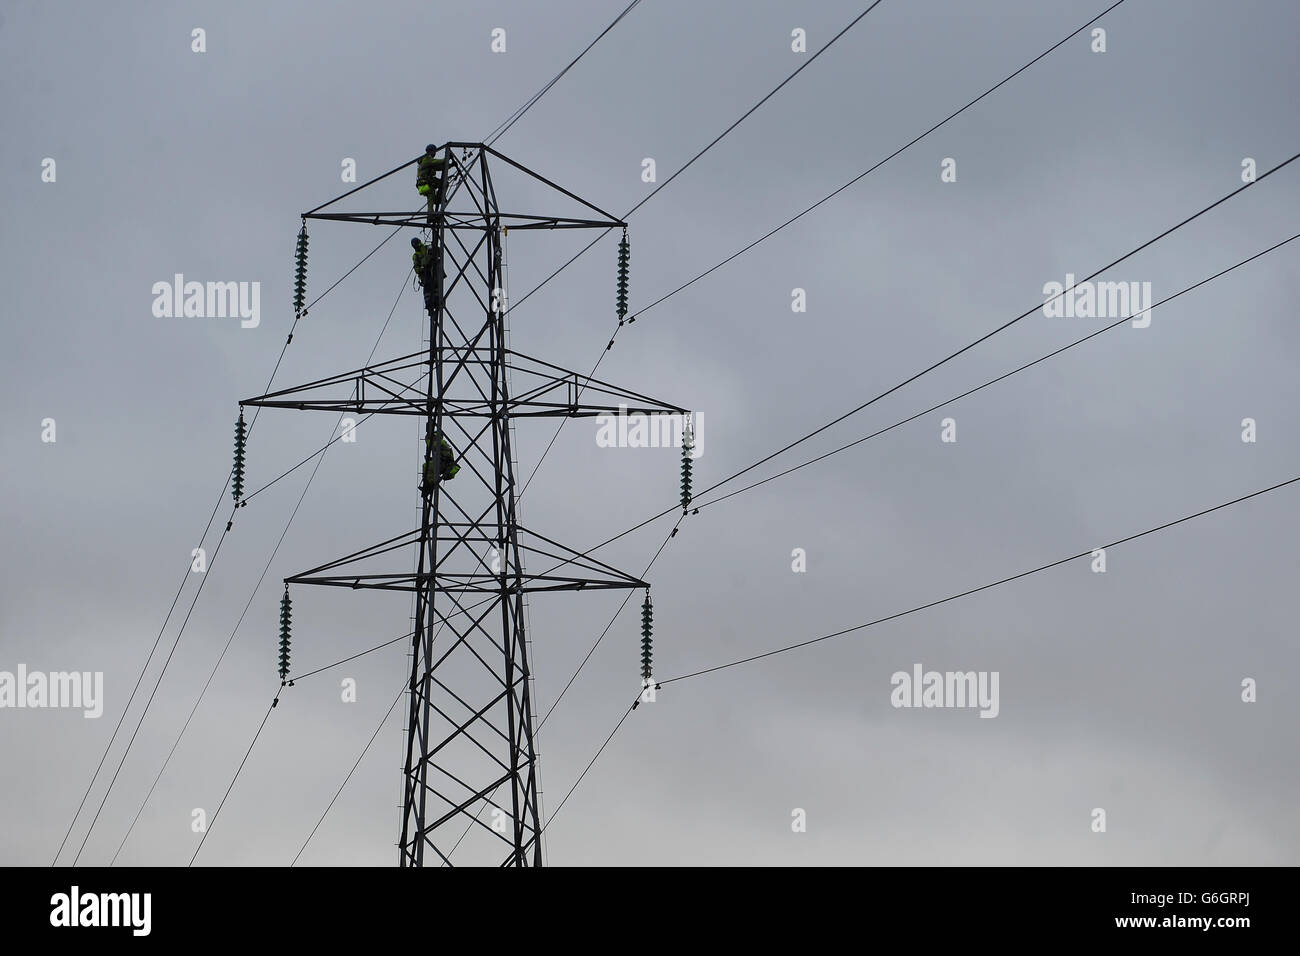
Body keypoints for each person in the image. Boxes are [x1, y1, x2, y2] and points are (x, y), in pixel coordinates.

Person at [411, 237, 439, 313]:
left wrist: (434, 248)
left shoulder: (428, 247)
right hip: (425, 274)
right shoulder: (416, 255)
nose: (417, 245)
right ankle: (429, 304)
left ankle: (436, 301)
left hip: (432, 270)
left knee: (435, 286)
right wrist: (422, 269)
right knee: (428, 288)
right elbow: (416, 268)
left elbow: (439, 252)